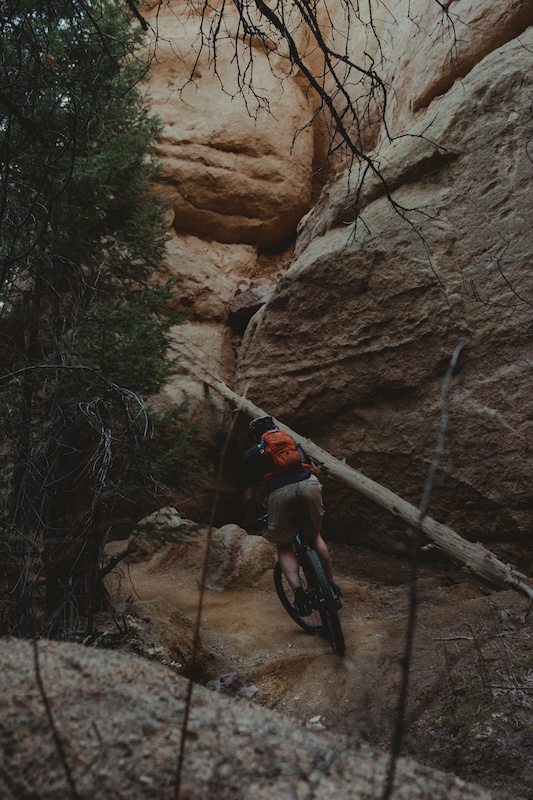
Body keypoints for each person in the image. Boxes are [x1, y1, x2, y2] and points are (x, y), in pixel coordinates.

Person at [242, 416, 341, 616]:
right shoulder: (293, 442)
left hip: (279, 493)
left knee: (284, 545)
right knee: (314, 536)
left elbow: (249, 495)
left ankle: (300, 595)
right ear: (274, 428)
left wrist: (250, 519)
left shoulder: (252, 454)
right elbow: (311, 467)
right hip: (308, 485)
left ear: (255, 435)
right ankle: (331, 586)